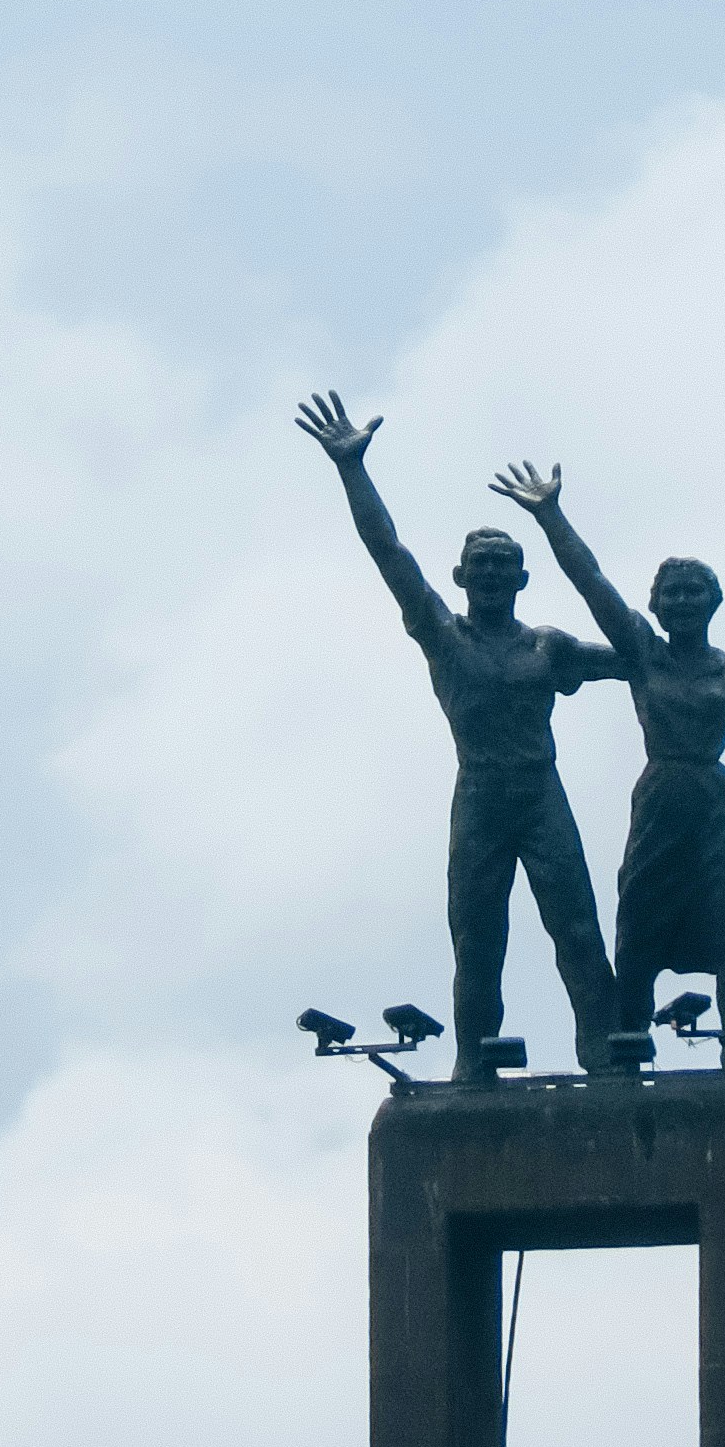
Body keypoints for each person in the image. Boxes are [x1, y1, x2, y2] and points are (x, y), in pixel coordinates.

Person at [297, 394, 629, 1079]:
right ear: (461, 577)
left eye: (504, 567)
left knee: (578, 932)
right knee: (478, 944)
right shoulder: (444, 637)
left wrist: (553, 517)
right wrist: (352, 470)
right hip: (479, 796)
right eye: (480, 567)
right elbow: (388, 553)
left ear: (523, 577)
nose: (492, 575)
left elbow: (639, 659)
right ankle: (473, 1065)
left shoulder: (548, 646)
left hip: (541, 793)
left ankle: (606, 1058)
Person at [489, 460, 725, 1071]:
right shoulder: (642, 654)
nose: (683, 601)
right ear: (656, 606)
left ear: (714, 602)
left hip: (714, 808)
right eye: (672, 593)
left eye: (695, 592)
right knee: (637, 938)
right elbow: (593, 584)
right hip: (660, 803)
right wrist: (550, 515)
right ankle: (628, 1057)